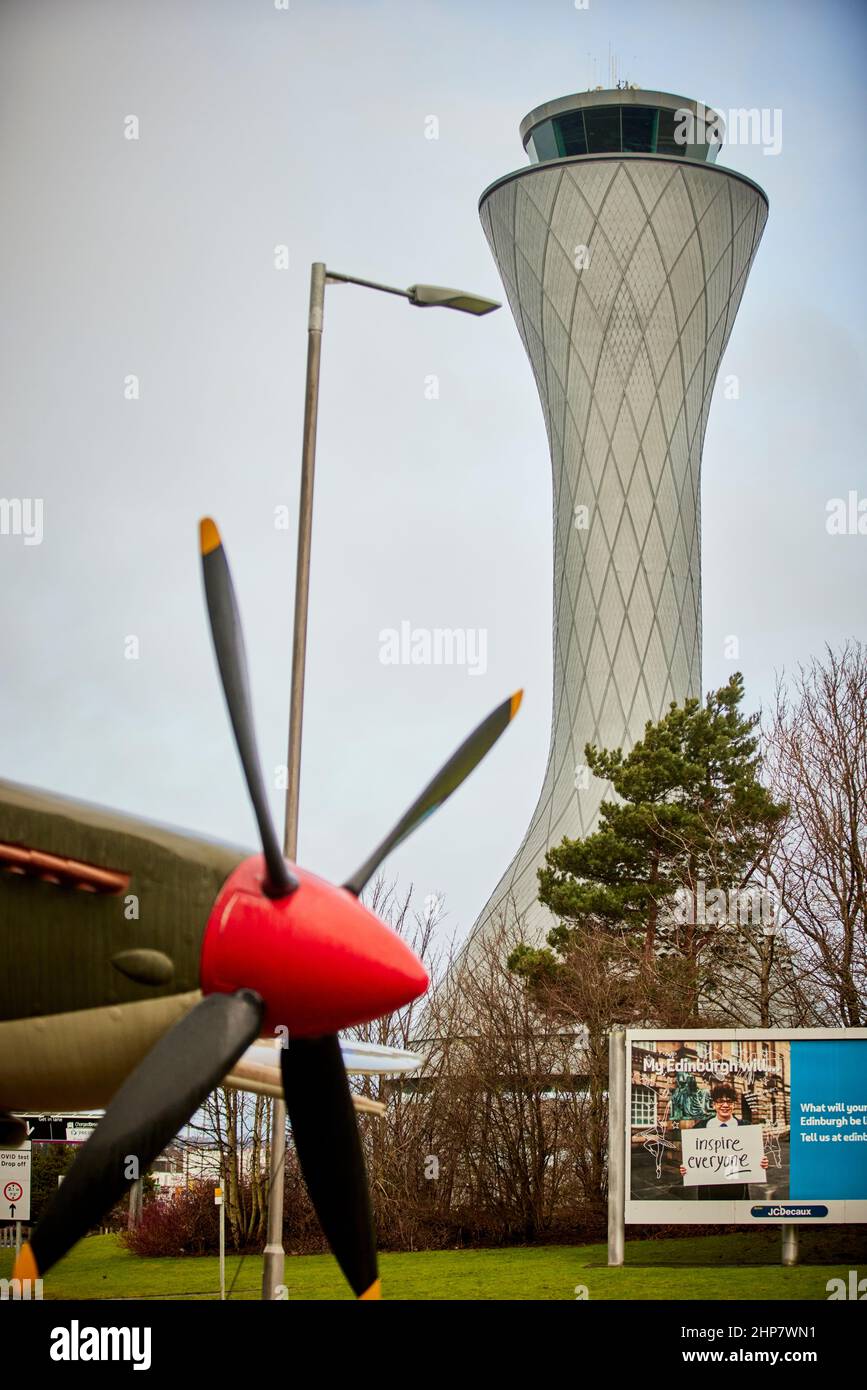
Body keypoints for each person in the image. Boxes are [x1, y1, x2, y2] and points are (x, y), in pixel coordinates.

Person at [679, 1083, 768, 1199]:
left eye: (729, 1101)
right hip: (709, 1189)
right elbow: (693, 1159)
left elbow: (753, 1156)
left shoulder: (745, 1127)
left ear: (734, 1104)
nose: (725, 1105)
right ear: (714, 1104)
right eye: (721, 1101)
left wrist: (761, 1162)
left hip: (736, 1188)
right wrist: (686, 1168)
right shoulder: (700, 1127)